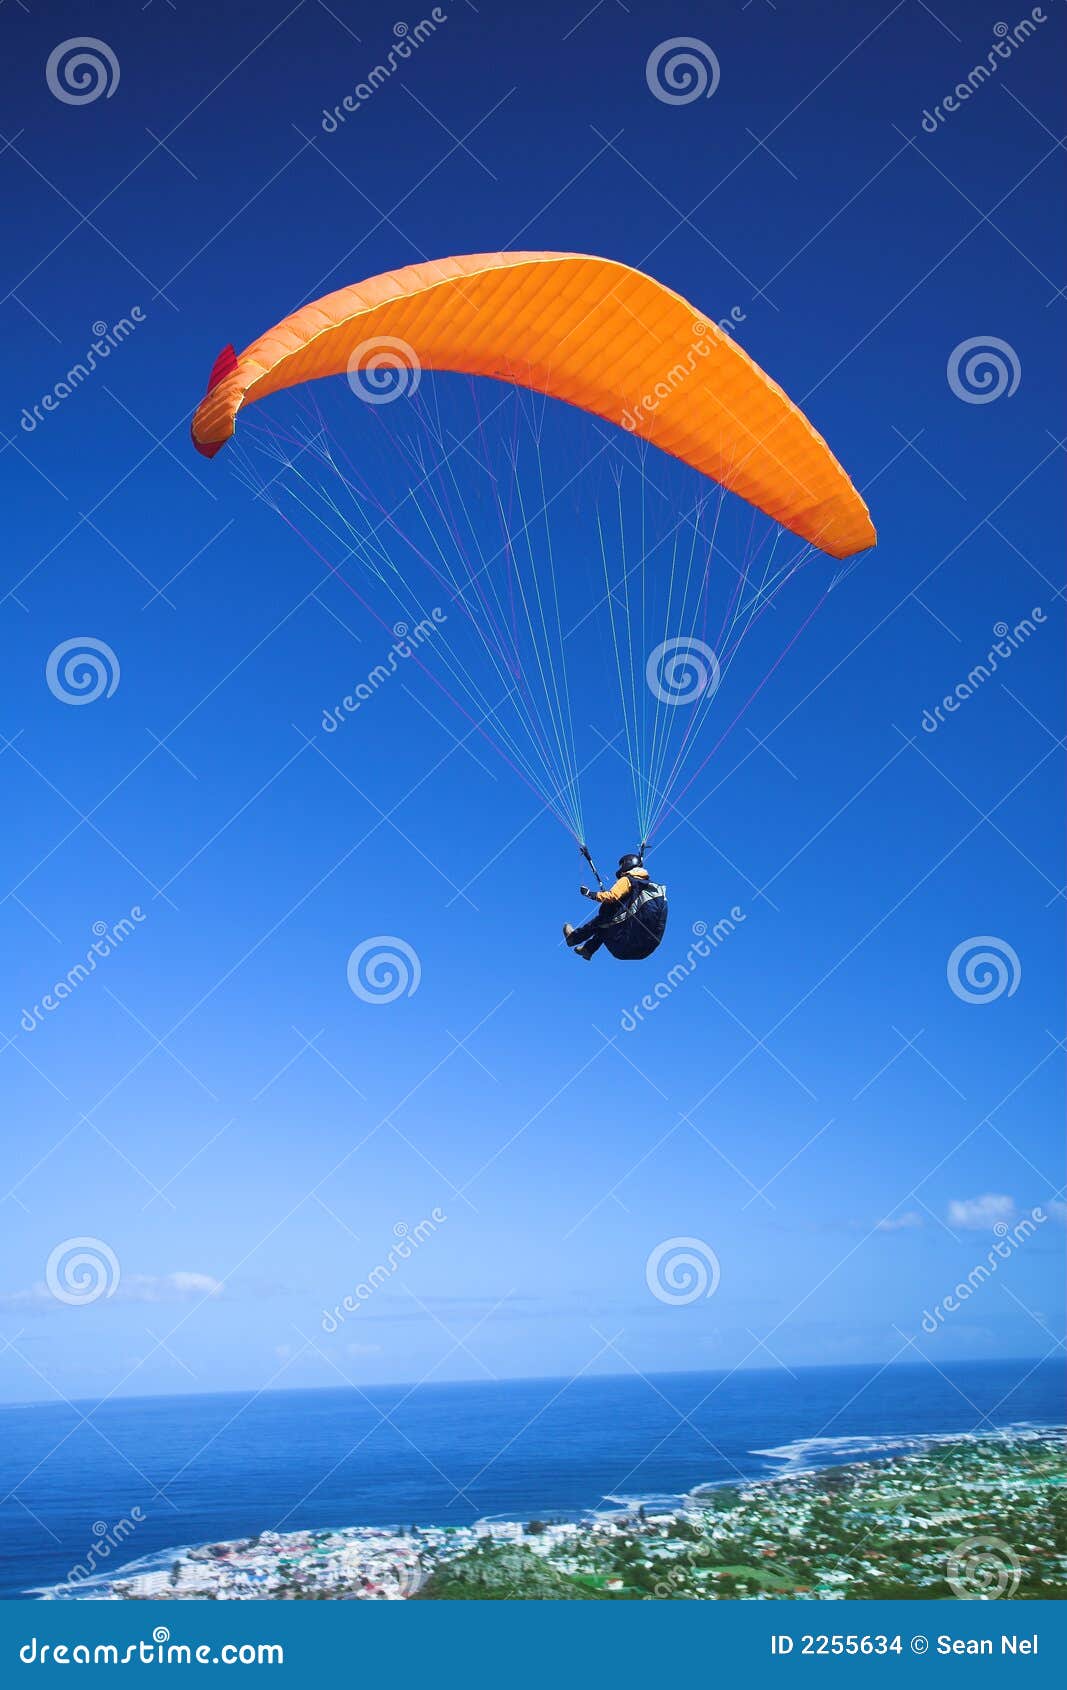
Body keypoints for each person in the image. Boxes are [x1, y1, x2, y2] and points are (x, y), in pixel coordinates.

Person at [563, 854, 668, 962]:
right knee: (605, 925)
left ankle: (573, 938)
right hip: (646, 945)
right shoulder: (645, 885)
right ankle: (588, 949)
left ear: (626, 865)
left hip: (625, 944)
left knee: (602, 919)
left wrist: (590, 894)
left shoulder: (627, 879)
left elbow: (612, 896)